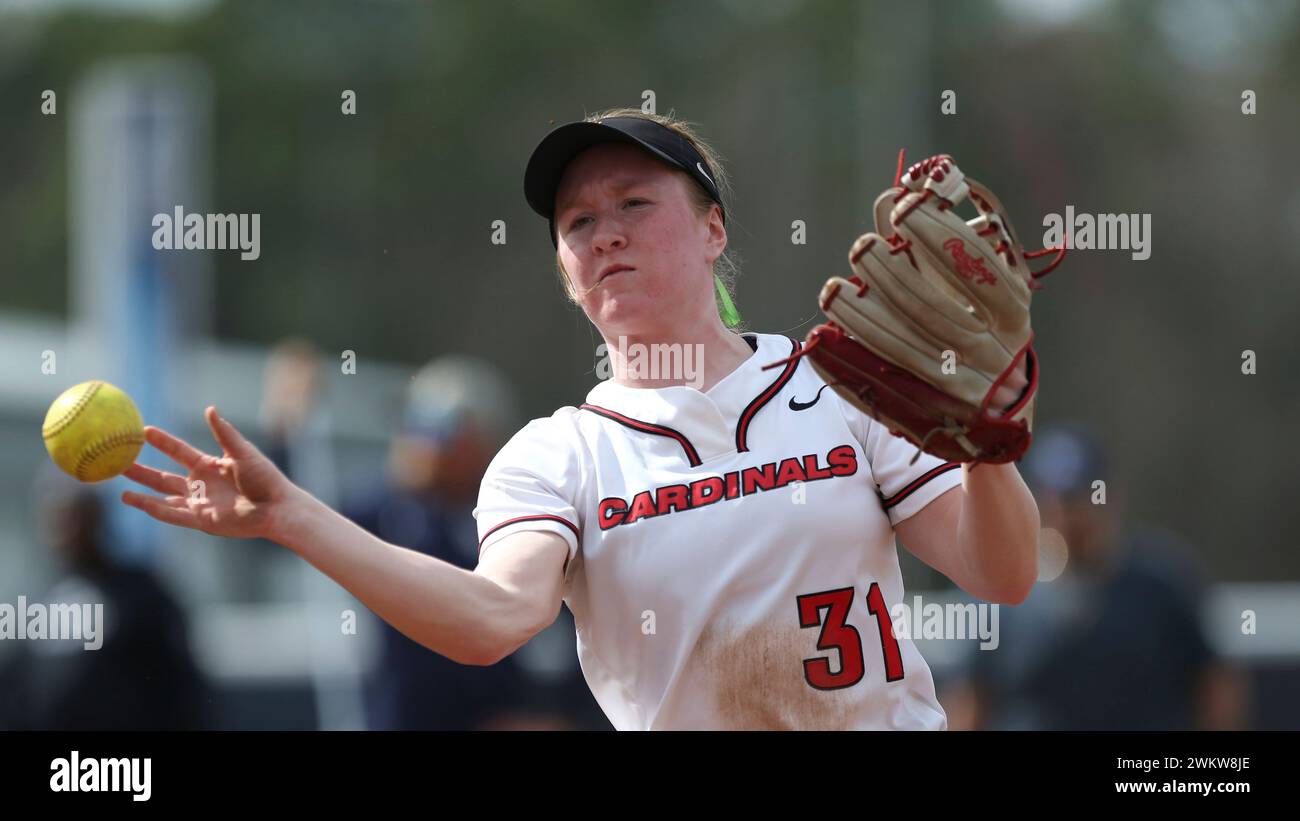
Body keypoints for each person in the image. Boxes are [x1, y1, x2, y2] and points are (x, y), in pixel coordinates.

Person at [120, 108, 1040, 730]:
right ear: (565, 268)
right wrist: (294, 516)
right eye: (576, 221)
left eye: (635, 204)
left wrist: (992, 455)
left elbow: (1002, 575)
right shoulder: (557, 454)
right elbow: (488, 621)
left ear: (713, 229)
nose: (604, 233)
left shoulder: (843, 386)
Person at [942, 424, 1247, 730]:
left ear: (1109, 496)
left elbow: (1213, 684)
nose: (1065, 513)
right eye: (1053, 500)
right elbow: (972, 699)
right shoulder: (1003, 589)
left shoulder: (1161, 582)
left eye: (1077, 497)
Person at [0, 469, 207, 730]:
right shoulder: (38, 598)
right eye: (58, 519)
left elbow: (180, 688)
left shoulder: (141, 594)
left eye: (76, 517)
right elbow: (14, 689)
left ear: (97, 520)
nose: (66, 530)